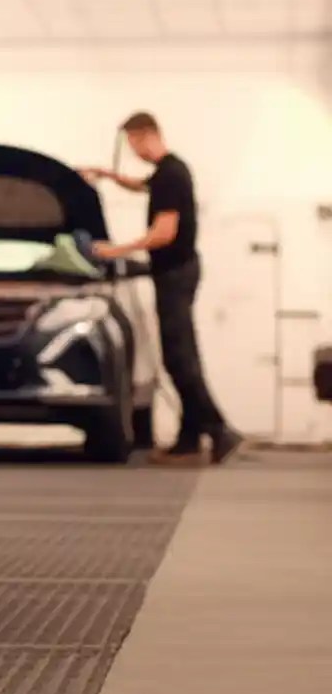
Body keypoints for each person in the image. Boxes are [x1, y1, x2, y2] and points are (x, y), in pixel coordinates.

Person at [78, 111, 243, 464]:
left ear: (143, 136)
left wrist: (115, 249)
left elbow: (163, 233)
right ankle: (188, 438)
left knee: (179, 359)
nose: (133, 151)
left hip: (175, 274)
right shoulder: (169, 171)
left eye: (133, 143)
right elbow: (140, 185)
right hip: (178, 271)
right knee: (181, 356)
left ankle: (219, 429)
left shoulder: (170, 176)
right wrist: (106, 175)